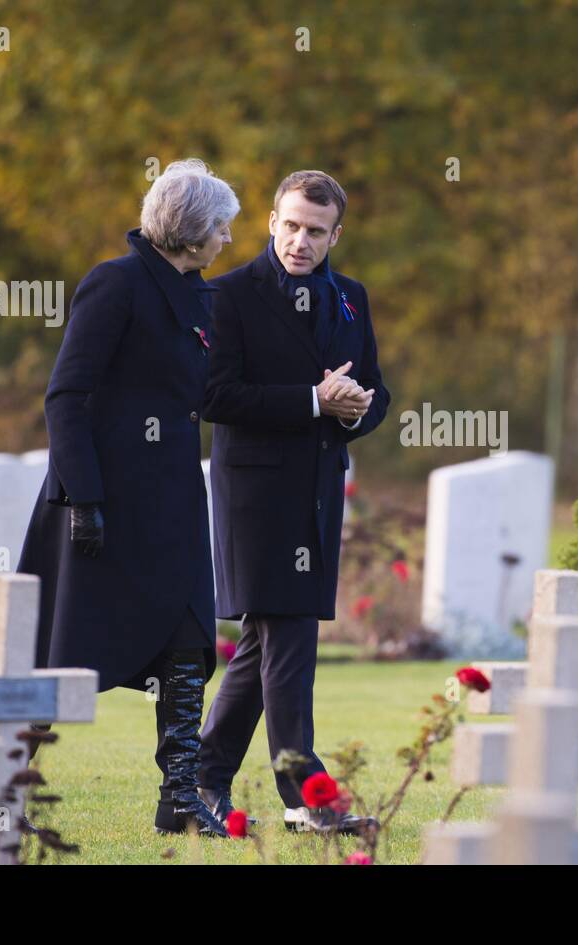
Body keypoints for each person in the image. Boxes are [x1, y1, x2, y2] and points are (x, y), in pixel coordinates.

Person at [18, 159, 238, 837]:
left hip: (172, 499)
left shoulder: (202, 299)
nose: (229, 240)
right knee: (61, 647)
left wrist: (316, 397)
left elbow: (208, 395)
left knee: (187, 637)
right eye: (223, 228)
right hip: (98, 501)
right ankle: (6, 785)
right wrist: (84, 496)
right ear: (194, 231)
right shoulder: (113, 285)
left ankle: (179, 794)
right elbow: (66, 395)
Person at [198, 170, 389, 832]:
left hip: (316, 492)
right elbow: (214, 396)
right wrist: (314, 399)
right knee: (289, 640)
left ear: (336, 233)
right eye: (289, 225)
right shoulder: (226, 296)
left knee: (264, 642)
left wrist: (355, 409)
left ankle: (201, 780)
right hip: (255, 494)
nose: (299, 241)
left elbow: (375, 393)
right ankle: (307, 796)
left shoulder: (352, 300)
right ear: (271, 222)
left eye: (314, 230)